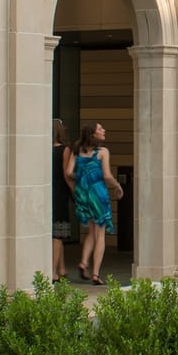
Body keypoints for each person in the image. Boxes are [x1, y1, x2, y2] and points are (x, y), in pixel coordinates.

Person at [67, 120, 123, 285]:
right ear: (93, 134)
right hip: (98, 193)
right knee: (100, 235)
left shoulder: (77, 151)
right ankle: (96, 274)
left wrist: (82, 179)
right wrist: (117, 185)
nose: (103, 130)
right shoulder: (102, 152)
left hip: (84, 194)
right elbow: (106, 175)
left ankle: (84, 263)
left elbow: (69, 172)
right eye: (100, 129)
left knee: (91, 231)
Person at [51, 118, 73, 283]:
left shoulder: (44, 149)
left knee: (56, 231)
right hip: (60, 192)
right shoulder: (65, 150)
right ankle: (52, 272)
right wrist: (75, 191)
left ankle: (62, 268)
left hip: (48, 192)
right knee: (58, 234)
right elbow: (67, 174)